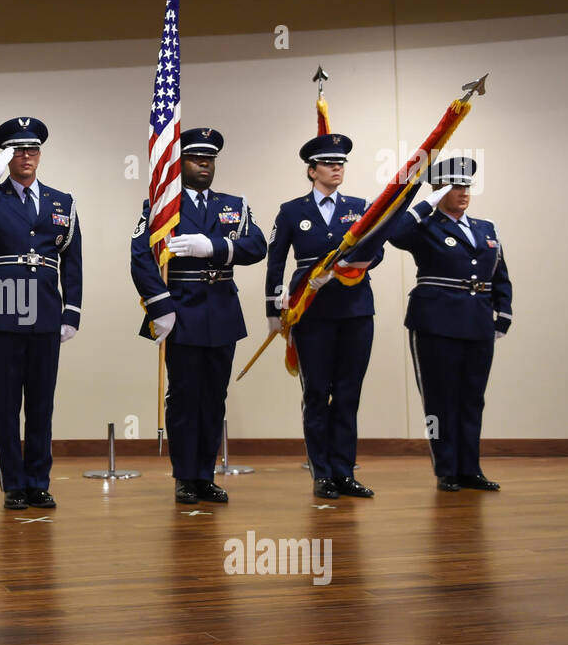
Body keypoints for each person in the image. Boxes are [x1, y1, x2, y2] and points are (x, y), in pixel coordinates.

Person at [0, 118, 82, 510]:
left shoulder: (63, 201)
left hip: (45, 308)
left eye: (32, 149)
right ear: (6, 157)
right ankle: (13, 483)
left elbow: (72, 261)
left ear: (40, 154)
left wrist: (71, 311)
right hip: (5, 306)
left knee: (42, 402)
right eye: (17, 151)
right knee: (7, 403)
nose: (26, 156)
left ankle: (38, 481)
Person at [131, 128, 267, 505]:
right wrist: (160, 306)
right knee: (184, 397)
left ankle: (205, 475)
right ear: (180, 164)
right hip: (182, 310)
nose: (204, 165)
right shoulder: (162, 206)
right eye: (195, 158)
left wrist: (216, 246)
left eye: (209, 159)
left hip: (222, 310)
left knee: (214, 397)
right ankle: (185, 476)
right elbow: (141, 257)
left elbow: (257, 245)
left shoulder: (233, 204)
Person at [265, 133, 381, 500]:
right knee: (317, 393)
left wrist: (350, 263)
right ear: (312, 170)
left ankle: (345, 472)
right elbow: (276, 259)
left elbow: (377, 250)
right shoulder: (292, 211)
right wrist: (273, 309)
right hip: (310, 311)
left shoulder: (360, 207)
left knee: (348, 393)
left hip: (355, 309)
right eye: (329, 163)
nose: (337, 168)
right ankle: (322, 473)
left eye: (341, 163)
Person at [387, 156, 512, 492]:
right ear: (438, 190)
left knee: (472, 397)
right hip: (435, 322)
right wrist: (425, 202)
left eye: (466, 185)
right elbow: (394, 233)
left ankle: (470, 468)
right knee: (440, 399)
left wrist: (504, 312)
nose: (463, 192)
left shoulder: (486, 228)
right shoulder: (424, 226)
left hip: (478, 323)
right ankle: (447, 469)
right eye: (455, 186)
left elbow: (499, 273)